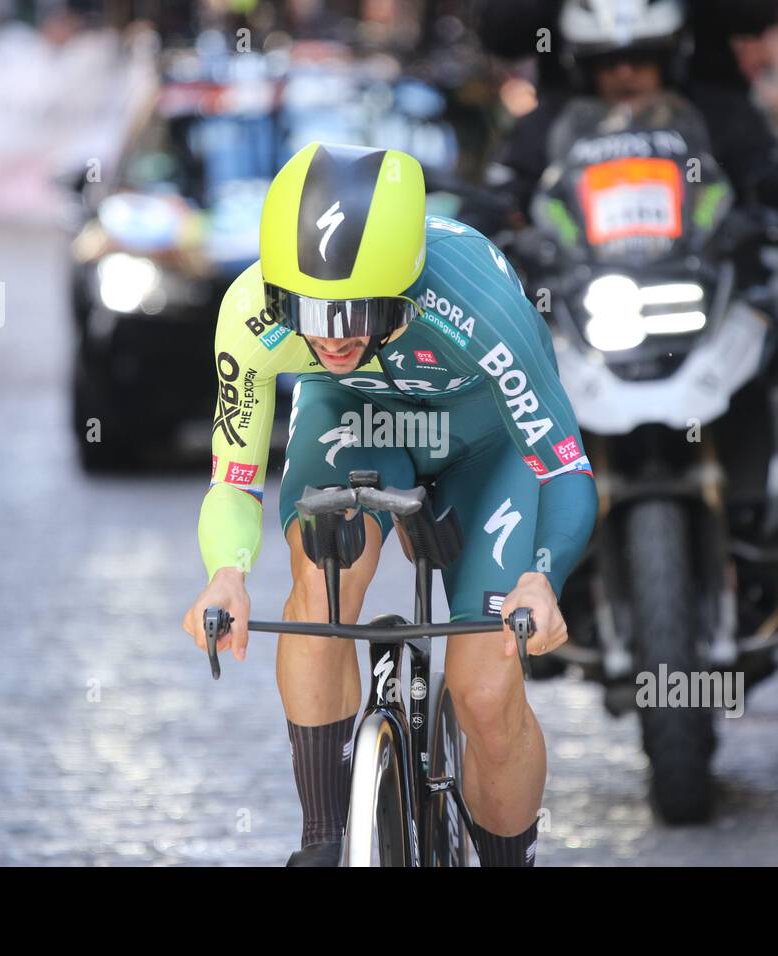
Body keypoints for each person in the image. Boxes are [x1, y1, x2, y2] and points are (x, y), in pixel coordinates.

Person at [182, 142, 597, 866]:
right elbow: (234, 479)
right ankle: (323, 839)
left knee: (484, 691)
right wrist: (226, 573)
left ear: (403, 284)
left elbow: (564, 469)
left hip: (485, 445)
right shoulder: (251, 311)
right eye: (309, 311)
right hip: (356, 419)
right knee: (320, 579)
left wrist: (543, 574)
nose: (332, 335)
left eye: (358, 312)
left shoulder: (478, 299)